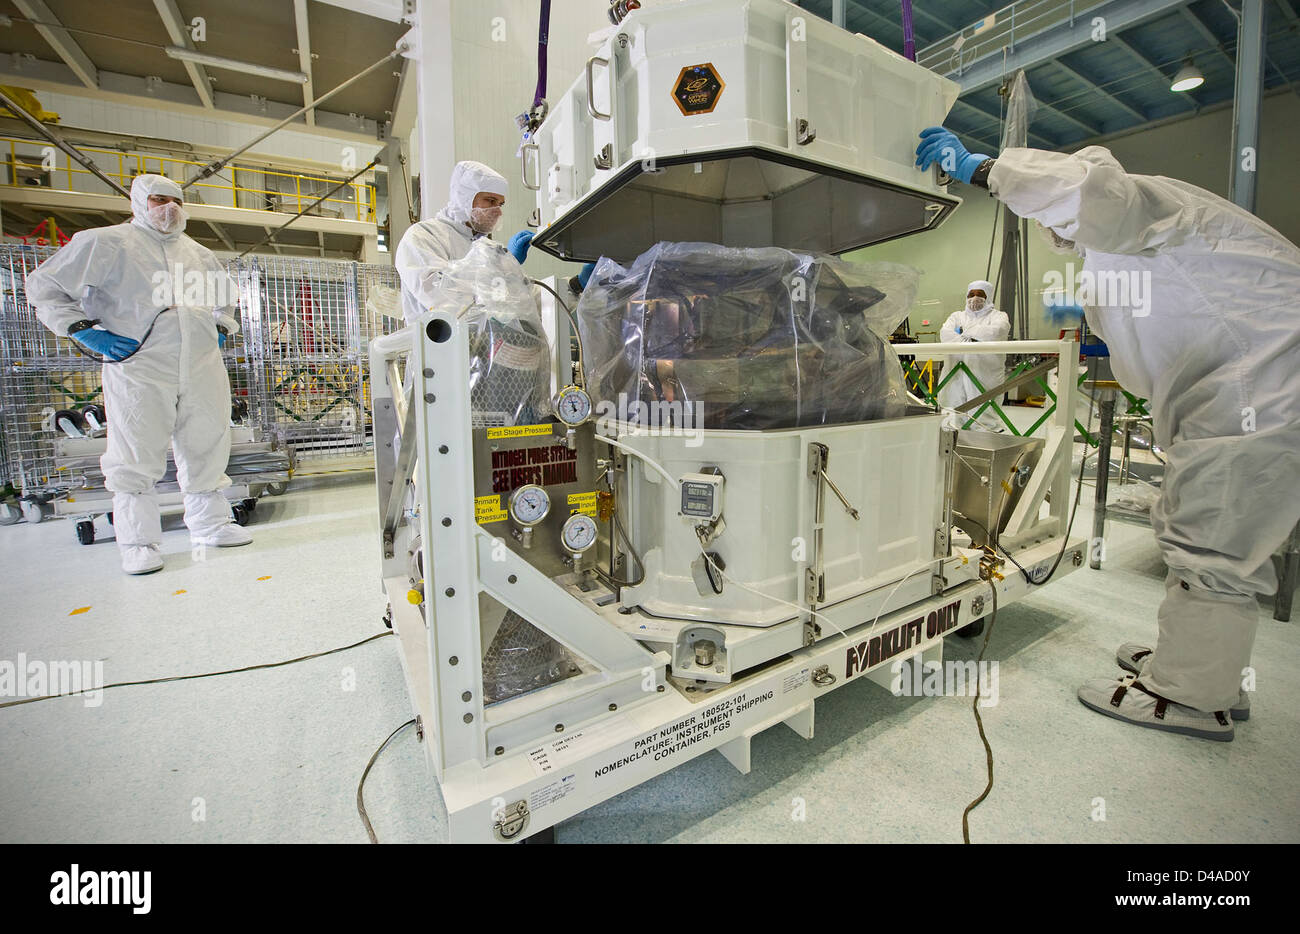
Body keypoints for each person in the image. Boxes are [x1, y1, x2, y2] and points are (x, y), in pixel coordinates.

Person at [916, 127, 1300, 742]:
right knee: (1206, 529)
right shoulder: (1149, 233)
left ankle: (1190, 697)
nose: (1060, 237)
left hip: (1257, 386)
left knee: (1215, 540)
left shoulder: (1133, 207)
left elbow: (1081, 193)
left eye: (1061, 226)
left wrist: (981, 168)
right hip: (1235, 383)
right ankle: (1204, 672)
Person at [25, 174, 250, 575]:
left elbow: (226, 302)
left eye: (177, 202)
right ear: (139, 201)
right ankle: (138, 542)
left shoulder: (198, 254)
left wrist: (220, 329)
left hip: (200, 364)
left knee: (207, 442)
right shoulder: (106, 243)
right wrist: (82, 329)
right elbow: (44, 286)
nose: (170, 209)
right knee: (135, 450)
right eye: (160, 200)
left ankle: (211, 524)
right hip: (140, 363)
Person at [394, 160, 509, 325]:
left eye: (501, 204)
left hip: (482, 345)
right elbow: (444, 297)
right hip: (437, 345)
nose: (497, 211)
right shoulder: (423, 236)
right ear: (465, 197)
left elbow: (505, 301)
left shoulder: (485, 247)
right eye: (490, 201)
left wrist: (513, 275)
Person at [937, 279, 1011, 431]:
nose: (975, 298)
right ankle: (952, 436)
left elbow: (996, 331)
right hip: (955, 371)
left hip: (984, 373)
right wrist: (975, 336)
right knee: (953, 405)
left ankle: (985, 436)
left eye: (980, 294)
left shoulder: (998, 316)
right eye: (971, 294)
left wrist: (965, 332)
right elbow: (945, 335)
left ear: (988, 296)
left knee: (983, 409)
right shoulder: (956, 316)